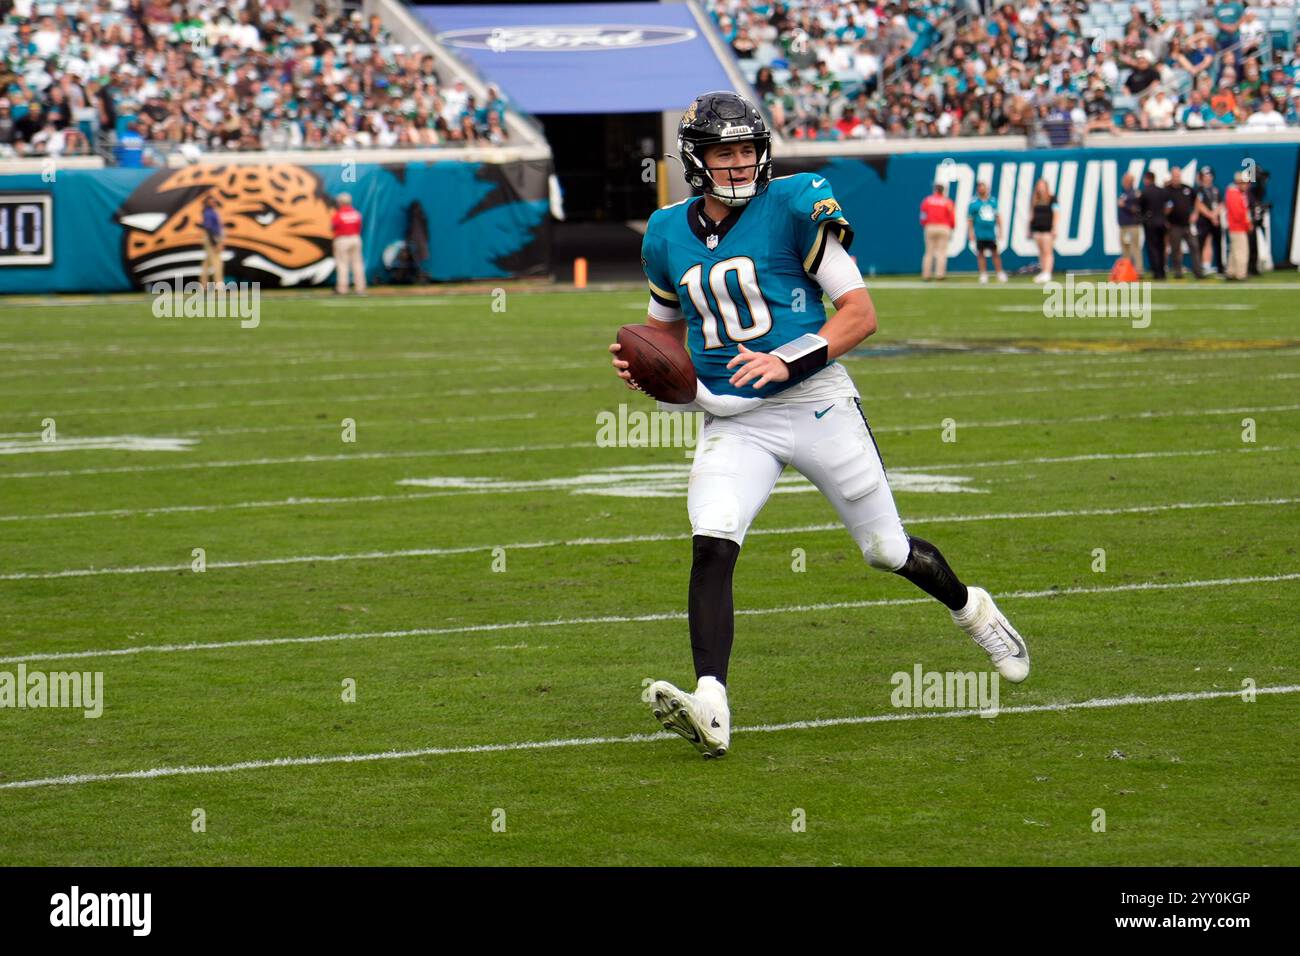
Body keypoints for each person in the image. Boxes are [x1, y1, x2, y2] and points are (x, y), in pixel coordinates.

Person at [607, 91, 1030, 759]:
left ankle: (970, 608)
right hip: (732, 415)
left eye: (748, 150)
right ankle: (711, 700)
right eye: (726, 153)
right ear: (696, 160)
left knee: (885, 551)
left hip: (817, 402)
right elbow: (664, 338)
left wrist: (784, 360)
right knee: (712, 540)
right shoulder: (664, 233)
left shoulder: (795, 202)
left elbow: (859, 313)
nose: (741, 164)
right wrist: (647, 372)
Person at [1164, 167, 1202, 279]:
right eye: (1174, 176)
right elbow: (1162, 206)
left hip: (1187, 225)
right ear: (1171, 176)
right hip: (1174, 225)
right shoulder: (1167, 190)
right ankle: (1178, 272)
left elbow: (1197, 200)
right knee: (1176, 250)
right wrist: (1165, 219)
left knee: (1194, 246)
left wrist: (1195, 213)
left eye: (1178, 176)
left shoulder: (1187, 189)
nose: (1176, 178)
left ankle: (1198, 272)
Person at [967, 180, 1007, 283]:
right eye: (980, 187)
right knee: (981, 254)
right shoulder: (974, 203)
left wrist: (1000, 230)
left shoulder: (993, 201)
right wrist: (971, 232)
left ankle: (999, 272)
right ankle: (983, 274)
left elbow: (998, 217)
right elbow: (970, 220)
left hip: (991, 233)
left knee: (995, 253)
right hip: (980, 233)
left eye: (983, 187)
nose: (981, 189)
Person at [331, 192, 366, 295]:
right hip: (356, 238)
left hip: (342, 239)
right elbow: (360, 227)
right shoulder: (356, 213)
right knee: (357, 264)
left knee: (342, 264)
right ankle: (360, 288)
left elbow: (332, 227)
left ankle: (342, 289)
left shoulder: (338, 214)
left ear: (340, 202)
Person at [919, 181, 955, 280]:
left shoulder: (927, 200)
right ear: (943, 191)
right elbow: (952, 217)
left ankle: (926, 275)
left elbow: (922, 216)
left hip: (930, 226)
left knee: (928, 252)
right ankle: (940, 274)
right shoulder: (947, 201)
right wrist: (952, 227)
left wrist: (925, 224)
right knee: (941, 252)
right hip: (943, 227)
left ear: (935, 189)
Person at [1138, 170, 1168, 280]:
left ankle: (1157, 272)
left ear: (1147, 179)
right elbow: (1168, 205)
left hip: (1150, 223)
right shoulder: (1161, 191)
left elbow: (1139, 207)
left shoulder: (1145, 192)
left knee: (1152, 248)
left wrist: (1143, 218)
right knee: (1161, 247)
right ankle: (1162, 271)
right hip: (1162, 223)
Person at [1194, 168, 1224, 276]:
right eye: (1206, 176)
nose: (1208, 178)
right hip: (1204, 222)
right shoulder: (1199, 190)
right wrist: (1211, 215)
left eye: (1209, 175)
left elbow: (1220, 203)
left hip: (1215, 221)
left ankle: (1220, 267)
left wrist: (1215, 215)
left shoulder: (1216, 189)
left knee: (1217, 244)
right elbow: (1199, 205)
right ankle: (1199, 268)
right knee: (1200, 243)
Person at [1029, 178, 1057, 283]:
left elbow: (1056, 213)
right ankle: (1043, 271)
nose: (1040, 188)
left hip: (1047, 229)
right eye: (1039, 186)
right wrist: (1029, 228)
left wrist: (1054, 227)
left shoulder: (1052, 198)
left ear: (1046, 187)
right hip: (1037, 228)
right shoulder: (1035, 200)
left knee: (1047, 251)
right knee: (1041, 252)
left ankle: (1048, 272)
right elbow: (1032, 214)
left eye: (1042, 185)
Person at [1224, 170, 1251, 280]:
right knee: (1241, 252)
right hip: (1238, 227)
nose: (1247, 185)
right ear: (1238, 183)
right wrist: (1247, 225)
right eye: (1244, 183)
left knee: (1234, 251)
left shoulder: (1236, 193)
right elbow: (1238, 214)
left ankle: (1231, 272)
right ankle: (1241, 274)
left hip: (1236, 227)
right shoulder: (1234, 194)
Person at [1117, 171, 1144, 268]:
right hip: (1123, 225)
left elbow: (1137, 209)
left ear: (1130, 181)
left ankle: (1138, 271)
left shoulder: (1135, 193)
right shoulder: (1123, 193)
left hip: (1132, 225)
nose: (1123, 181)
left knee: (1135, 248)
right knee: (1125, 249)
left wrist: (1124, 206)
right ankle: (1126, 270)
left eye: (1125, 179)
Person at [199, 194, 224, 288]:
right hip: (212, 238)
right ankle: (218, 284)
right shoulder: (208, 213)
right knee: (217, 262)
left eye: (214, 201)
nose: (214, 203)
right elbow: (208, 229)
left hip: (214, 237)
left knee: (207, 263)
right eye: (211, 202)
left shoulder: (212, 212)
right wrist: (214, 243)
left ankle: (203, 284)